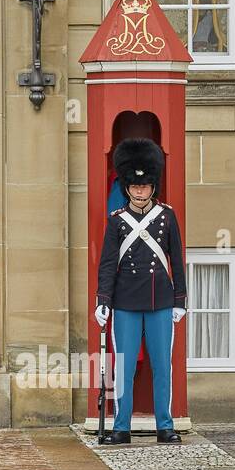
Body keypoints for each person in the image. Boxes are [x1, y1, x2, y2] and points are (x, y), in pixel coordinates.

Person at [94, 137, 186, 445]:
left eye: (145, 187)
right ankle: (122, 427)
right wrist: (103, 300)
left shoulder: (166, 216)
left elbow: (177, 259)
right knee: (125, 366)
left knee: (162, 366)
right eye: (134, 187)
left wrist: (180, 299)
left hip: (160, 300)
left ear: (152, 187)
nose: (140, 191)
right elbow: (108, 264)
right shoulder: (117, 221)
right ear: (127, 188)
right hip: (126, 303)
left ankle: (165, 425)